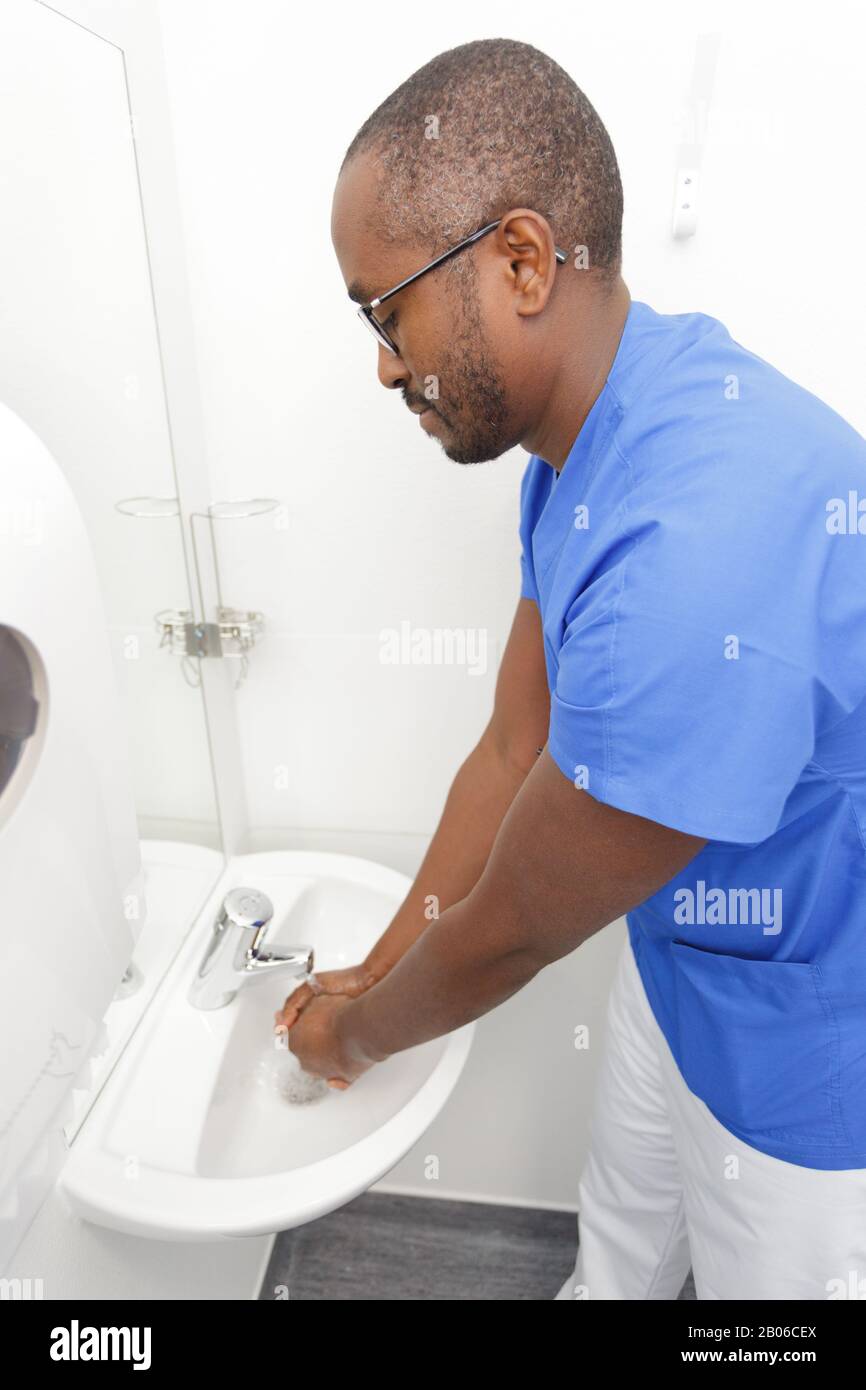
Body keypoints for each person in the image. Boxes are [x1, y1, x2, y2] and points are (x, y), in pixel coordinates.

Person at [275, 38, 866, 1299]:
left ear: (525, 261)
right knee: (616, 1256)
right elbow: (511, 750)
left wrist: (351, 1034)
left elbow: (509, 933)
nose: (383, 361)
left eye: (388, 311)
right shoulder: (590, 437)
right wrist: (376, 960)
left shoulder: (691, 561)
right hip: (681, 954)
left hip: (810, 1054)